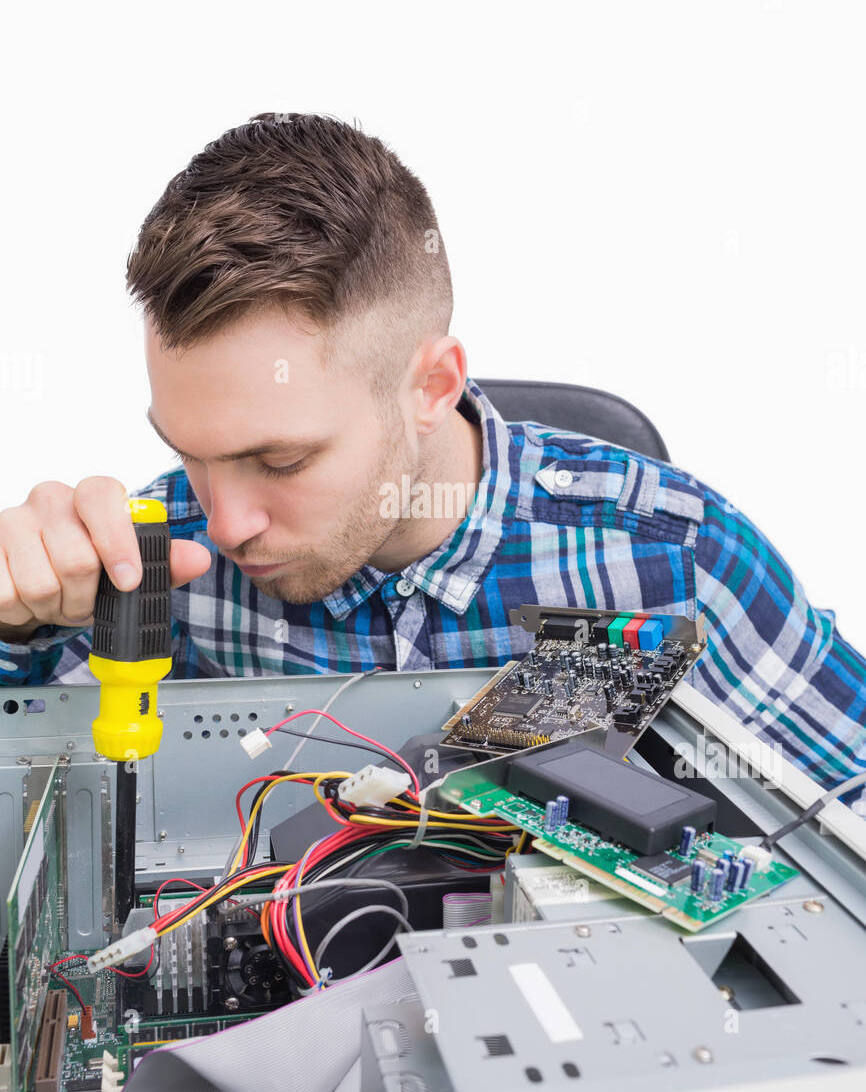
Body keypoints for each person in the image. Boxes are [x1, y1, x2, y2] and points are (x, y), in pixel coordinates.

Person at [1, 113, 864, 799]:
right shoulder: (161, 566)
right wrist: (16, 619)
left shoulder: (675, 560)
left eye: (282, 461)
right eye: (190, 453)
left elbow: (849, 802)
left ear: (432, 386)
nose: (225, 524)